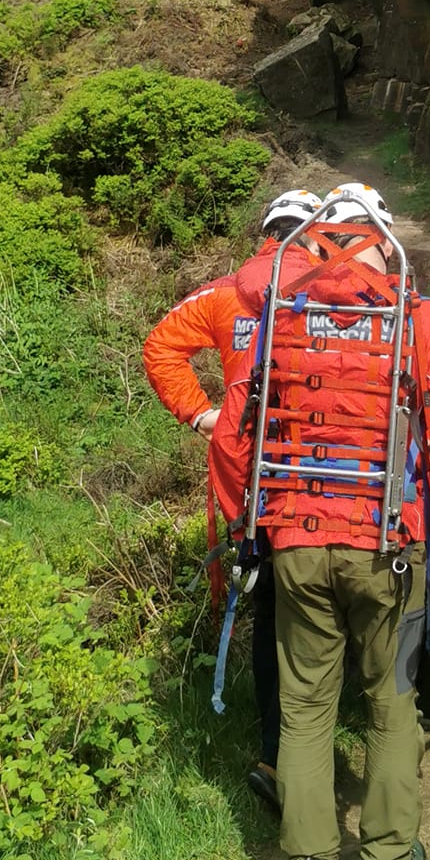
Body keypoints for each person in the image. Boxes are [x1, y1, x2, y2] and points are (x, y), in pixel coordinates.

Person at [211, 182, 430, 860]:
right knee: (390, 703)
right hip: (388, 547)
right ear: (381, 239)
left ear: (315, 240)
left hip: (296, 543)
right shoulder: (419, 320)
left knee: (305, 705)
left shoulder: (279, 315)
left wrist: (244, 536)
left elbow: (234, 436)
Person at [142, 187, 322, 814]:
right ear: (318, 234)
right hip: (331, 478)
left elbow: (159, 345)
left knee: (272, 609)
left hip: (250, 479)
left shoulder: (226, 295)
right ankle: (322, 751)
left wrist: (202, 416)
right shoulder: (344, 294)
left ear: (266, 234)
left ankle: (276, 749)